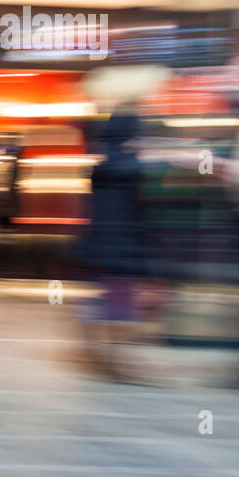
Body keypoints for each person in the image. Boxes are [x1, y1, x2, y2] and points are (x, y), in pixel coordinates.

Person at [79, 107, 148, 380]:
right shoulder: (118, 165)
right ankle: (111, 360)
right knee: (117, 301)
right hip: (116, 241)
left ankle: (105, 355)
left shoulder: (105, 163)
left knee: (111, 299)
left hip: (105, 239)